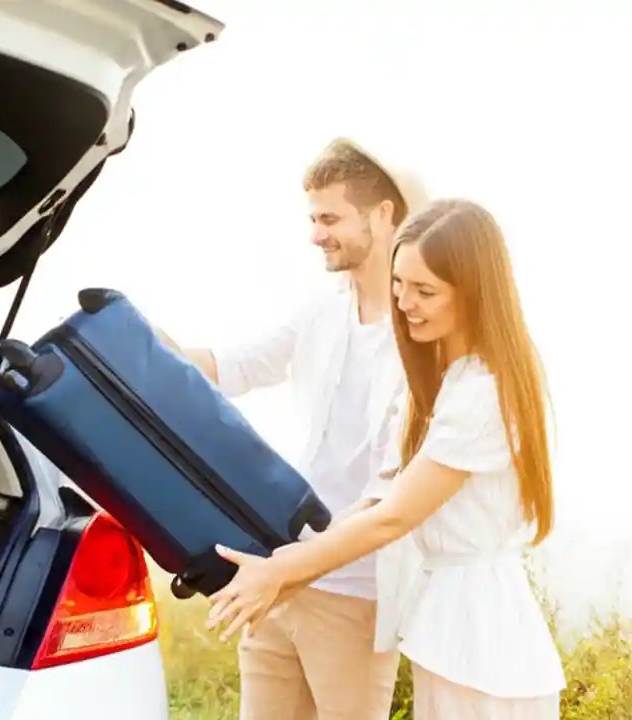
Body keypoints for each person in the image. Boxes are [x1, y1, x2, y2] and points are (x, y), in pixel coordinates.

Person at [205, 198, 567, 719]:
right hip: (450, 627)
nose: (405, 303)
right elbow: (378, 499)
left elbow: (395, 516)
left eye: (425, 291)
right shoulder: (444, 380)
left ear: (474, 292)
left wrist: (282, 570)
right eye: (399, 284)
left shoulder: (484, 391)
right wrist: (282, 575)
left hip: (487, 639)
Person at [156, 138, 428, 720]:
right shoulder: (321, 308)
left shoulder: (420, 343)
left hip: (356, 594)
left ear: (382, 217)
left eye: (329, 218)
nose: (315, 234)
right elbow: (233, 366)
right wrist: (141, 343)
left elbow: (393, 500)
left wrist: (290, 568)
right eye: (312, 219)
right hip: (275, 578)